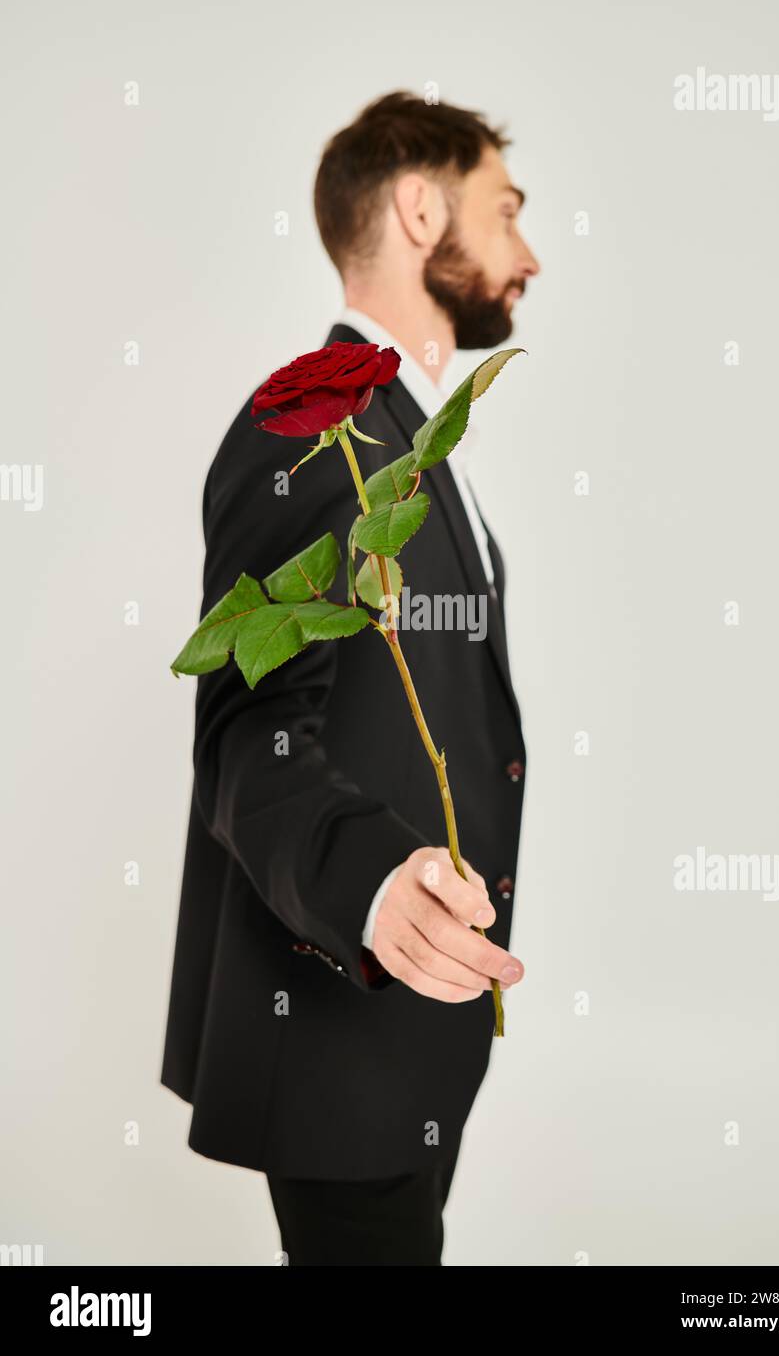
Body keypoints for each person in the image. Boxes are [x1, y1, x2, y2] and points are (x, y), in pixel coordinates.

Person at [160, 90, 541, 1265]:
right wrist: (375, 884)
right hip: (336, 1034)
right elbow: (244, 733)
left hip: (413, 1035)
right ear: (421, 208)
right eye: (507, 209)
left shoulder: (416, 439)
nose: (528, 254)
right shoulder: (308, 428)